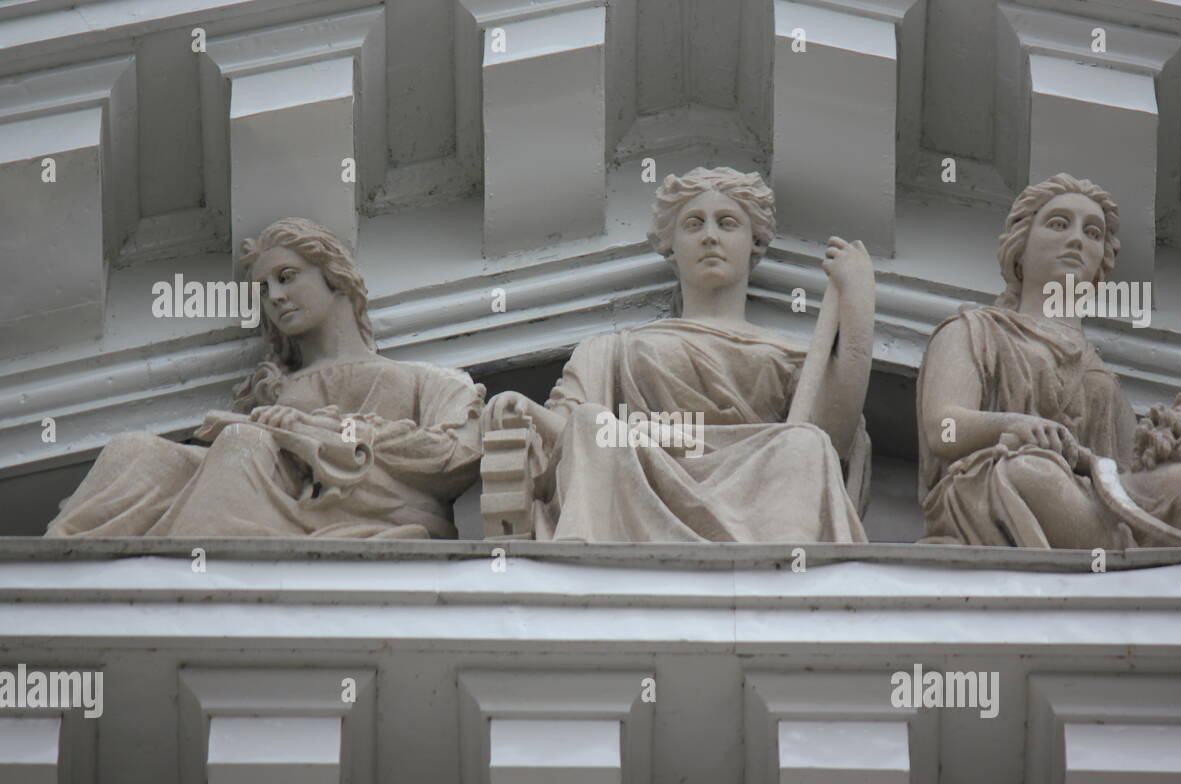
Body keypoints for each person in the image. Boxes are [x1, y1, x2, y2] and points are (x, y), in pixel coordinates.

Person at [484, 166, 875, 542]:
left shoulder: (788, 355)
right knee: (592, 421)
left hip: (758, 476)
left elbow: (832, 437)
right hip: (642, 465)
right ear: (671, 247)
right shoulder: (612, 351)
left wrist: (858, 304)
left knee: (804, 443)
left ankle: (780, 562)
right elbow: (570, 430)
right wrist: (524, 410)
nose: (709, 236)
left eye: (727, 223)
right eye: (693, 224)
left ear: (754, 242)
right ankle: (589, 554)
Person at [46, 218, 483, 538]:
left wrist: (323, 430)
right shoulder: (269, 392)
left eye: (287, 277)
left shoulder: (429, 380)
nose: (274, 296)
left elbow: (455, 454)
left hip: (364, 507)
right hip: (260, 484)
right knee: (133, 450)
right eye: (262, 289)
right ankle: (60, 574)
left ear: (336, 277)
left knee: (244, 443)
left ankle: (193, 581)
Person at [916, 173, 1181, 548]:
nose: (1076, 238)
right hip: (1021, 483)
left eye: (1092, 233)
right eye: (1058, 224)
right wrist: (1015, 424)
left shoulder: (1103, 378)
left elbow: (1124, 473)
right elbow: (943, 427)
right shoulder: (975, 330)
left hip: (1099, 500)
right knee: (1033, 472)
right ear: (1020, 248)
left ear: (1100, 266)